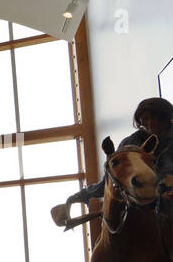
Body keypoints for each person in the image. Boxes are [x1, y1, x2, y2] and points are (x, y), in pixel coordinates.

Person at [51, 97, 173, 227]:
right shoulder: (130, 144)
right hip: (143, 208)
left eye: (154, 118)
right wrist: (78, 196)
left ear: (165, 117)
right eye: (145, 119)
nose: (150, 123)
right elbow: (110, 180)